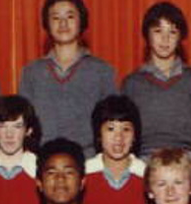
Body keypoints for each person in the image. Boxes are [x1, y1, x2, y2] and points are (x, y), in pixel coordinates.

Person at [18, 0, 117, 156]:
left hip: (89, 159)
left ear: (81, 21)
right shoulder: (31, 72)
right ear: (47, 24)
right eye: (56, 18)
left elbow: (112, 123)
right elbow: (23, 124)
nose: (63, 23)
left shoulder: (102, 71)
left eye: (70, 17)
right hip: (42, 159)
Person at [121, 2, 191, 158]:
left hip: (186, 156)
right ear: (147, 35)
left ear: (180, 37)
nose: (165, 39)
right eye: (158, 31)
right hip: (145, 157)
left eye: (172, 32)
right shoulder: (132, 83)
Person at [83, 95, 149, 204]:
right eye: (111, 129)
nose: (119, 137)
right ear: (99, 134)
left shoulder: (147, 176)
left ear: (135, 136)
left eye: (126, 129)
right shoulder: (83, 175)